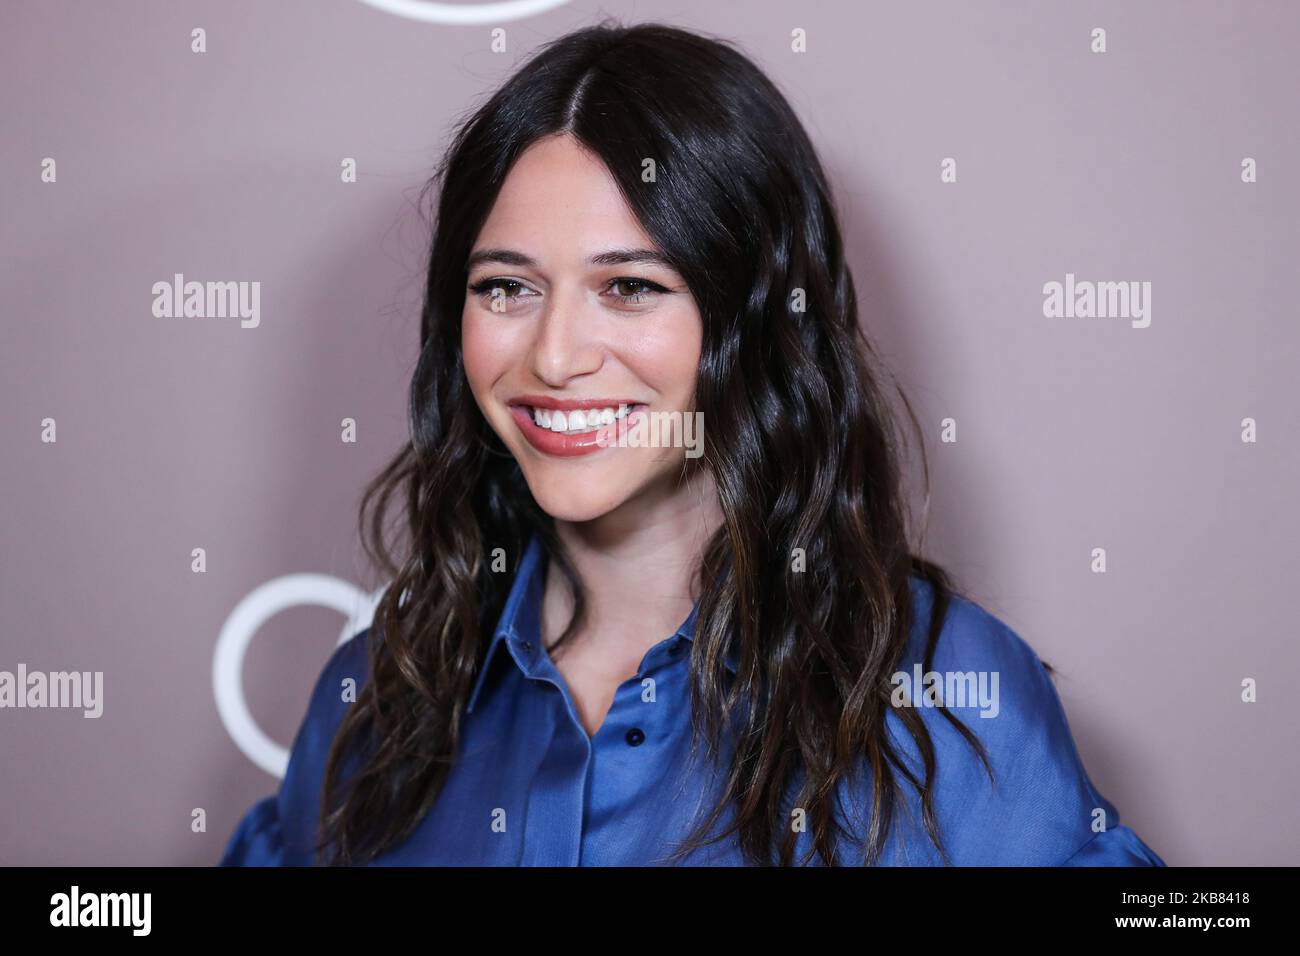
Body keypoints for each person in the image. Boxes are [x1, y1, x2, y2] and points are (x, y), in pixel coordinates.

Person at [220, 21, 1165, 867]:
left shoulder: (944, 697)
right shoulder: (380, 695)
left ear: (757, 320)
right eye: (506, 286)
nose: (553, 356)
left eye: (629, 286)